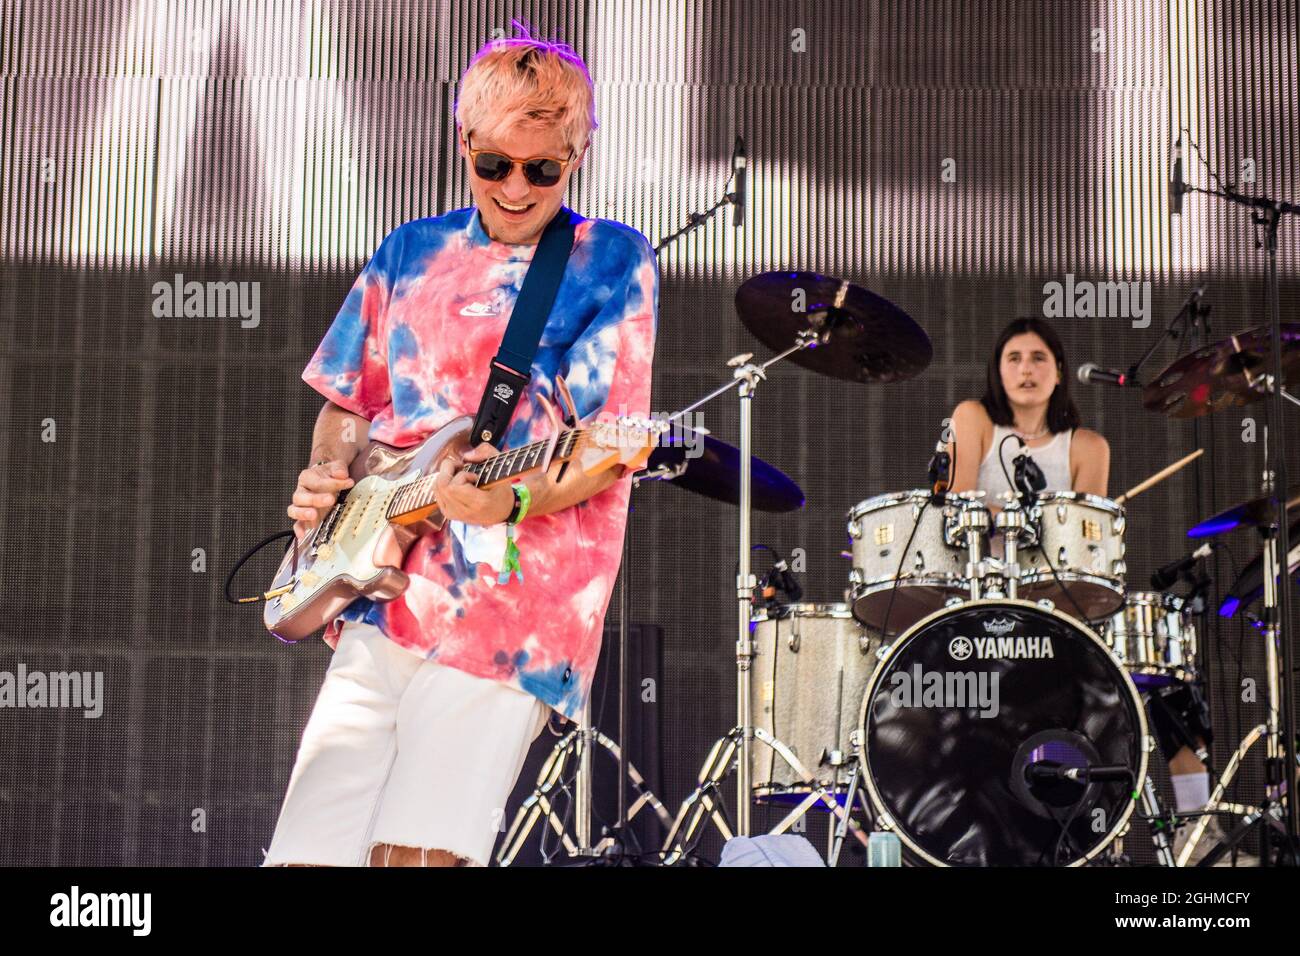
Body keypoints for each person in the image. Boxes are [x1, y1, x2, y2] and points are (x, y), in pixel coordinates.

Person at [263, 30, 658, 867]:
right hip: (384, 587)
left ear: (578, 153)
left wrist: (510, 498)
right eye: (495, 166)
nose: (516, 189)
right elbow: (347, 401)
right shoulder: (410, 250)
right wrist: (329, 488)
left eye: (542, 169)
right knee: (307, 853)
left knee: (417, 855)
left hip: (515, 600)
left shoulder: (609, 260)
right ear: (463, 146)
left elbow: (605, 445)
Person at [947, 317, 1222, 865]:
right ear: (997, 371)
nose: (1026, 369)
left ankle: (1198, 838)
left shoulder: (1087, 445)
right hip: (985, 606)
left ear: (1059, 372)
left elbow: (1087, 545)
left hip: (1063, 613)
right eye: (1014, 358)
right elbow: (957, 503)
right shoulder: (973, 418)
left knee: (1166, 690)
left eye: (1038, 358)